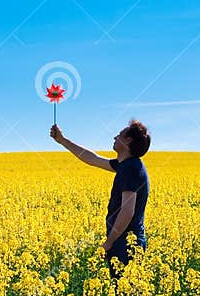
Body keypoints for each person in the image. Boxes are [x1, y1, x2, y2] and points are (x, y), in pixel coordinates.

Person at [50, 120, 151, 279]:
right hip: (125, 241)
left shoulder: (131, 169)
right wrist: (62, 140)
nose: (115, 137)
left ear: (128, 140)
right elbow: (93, 159)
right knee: (124, 295)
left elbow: (127, 211)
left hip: (127, 243)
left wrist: (109, 242)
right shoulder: (127, 165)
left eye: (119, 135)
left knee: (125, 294)